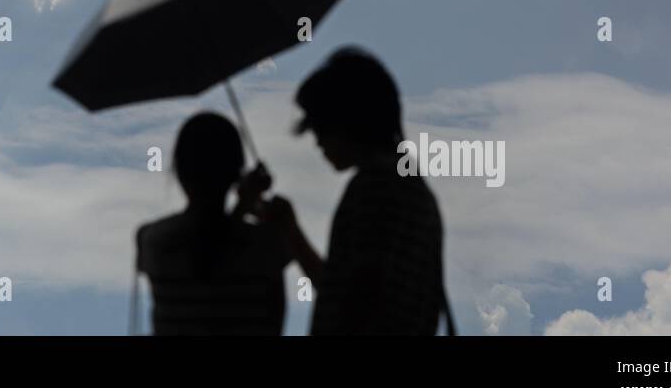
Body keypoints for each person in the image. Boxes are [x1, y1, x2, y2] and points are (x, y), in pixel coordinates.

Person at [265, 46, 452, 335]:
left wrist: (290, 233)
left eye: (320, 126)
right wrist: (291, 231)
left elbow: (350, 302)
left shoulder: (375, 188)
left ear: (347, 119)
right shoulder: (411, 187)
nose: (317, 142)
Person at [135, 112, 290, 335]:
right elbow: (274, 326)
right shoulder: (269, 245)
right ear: (237, 173)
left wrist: (242, 207)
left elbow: (210, 251)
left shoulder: (150, 240)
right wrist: (247, 205)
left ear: (178, 170)